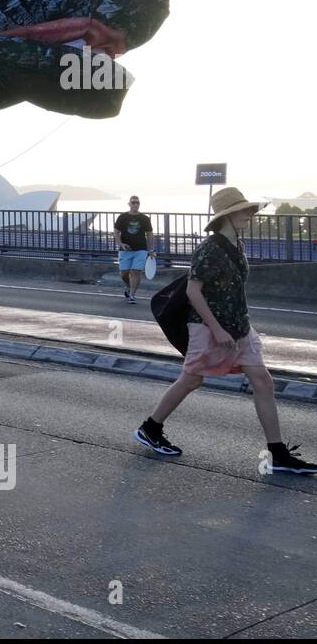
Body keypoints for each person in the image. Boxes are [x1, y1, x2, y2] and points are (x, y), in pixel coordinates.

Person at [134, 188, 315, 474]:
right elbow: (194, 291)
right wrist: (217, 330)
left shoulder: (236, 245)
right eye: (245, 210)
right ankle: (150, 428)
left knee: (263, 380)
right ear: (228, 215)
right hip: (208, 328)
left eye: (251, 210)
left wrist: (237, 324)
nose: (251, 214)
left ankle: (277, 453)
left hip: (239, 327)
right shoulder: (210, 249)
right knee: (191, 380)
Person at [114, 196, 155, 304]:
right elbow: (116, 232)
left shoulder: (145, 218)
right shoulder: (122, 217)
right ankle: (128, 286)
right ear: (129, 204)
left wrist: (151, 249)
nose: (136, 205)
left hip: (141, 249)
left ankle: (132, 295)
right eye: (133, 203)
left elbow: (150, 234)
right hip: (125, 250)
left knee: (136, 272)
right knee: (124, 273)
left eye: (137, 203)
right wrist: (120, 244)